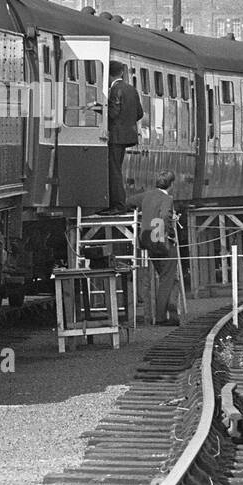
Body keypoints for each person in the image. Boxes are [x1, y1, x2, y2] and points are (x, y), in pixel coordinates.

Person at [137, 170, 180, 325]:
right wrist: (169, 233)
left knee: (166, 278)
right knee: (168, 279)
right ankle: (163, 317)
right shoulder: (167, 198)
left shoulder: (146, 196)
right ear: (171, 184)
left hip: (148, 242)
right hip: (162, 243)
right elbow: (164, 216)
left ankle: (170, 314)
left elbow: (129, 202)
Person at [103, 61, 143, 213]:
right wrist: (127, 124)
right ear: (121, 73)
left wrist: (98, 109)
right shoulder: (131, 89)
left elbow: (113, 113)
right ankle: (117, 204)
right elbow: (139, 113)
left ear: (109, 74)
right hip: (127, 136)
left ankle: (118, 205)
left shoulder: (114, 90)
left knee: (114, 170)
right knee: (116, 169)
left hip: (115, 136)